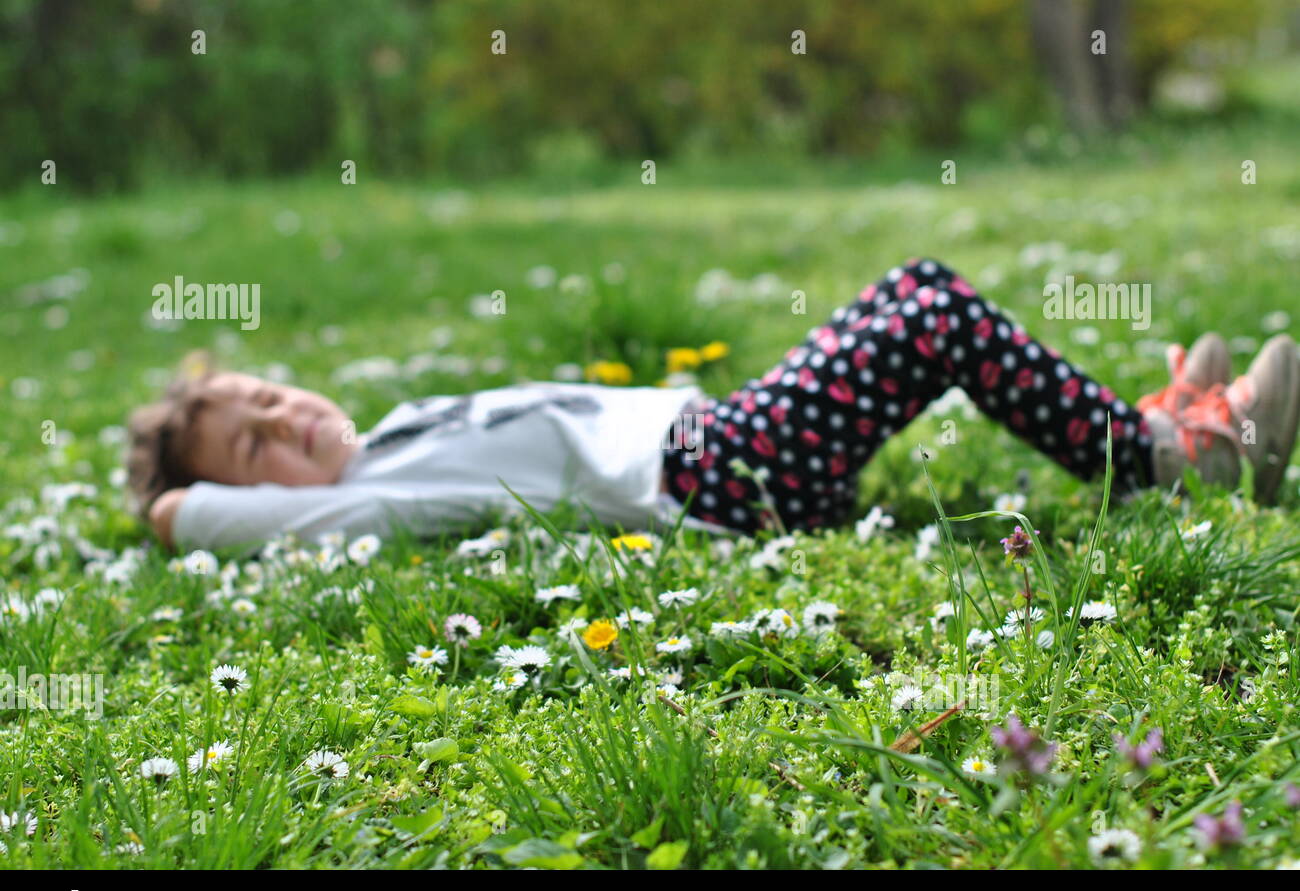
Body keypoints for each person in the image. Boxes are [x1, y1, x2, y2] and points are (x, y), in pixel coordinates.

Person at [127, 257, 1300, 554]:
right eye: (255, 449)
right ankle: (1162, 454)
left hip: (722, 434)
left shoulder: (386, 434)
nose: (287, 425)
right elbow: (229, 522)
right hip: (721, 481)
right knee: (934, 327)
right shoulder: (369, 502)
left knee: (919, 289)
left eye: (271, 399)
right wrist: (178, 510)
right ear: (247, 496)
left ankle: (1147, 424)